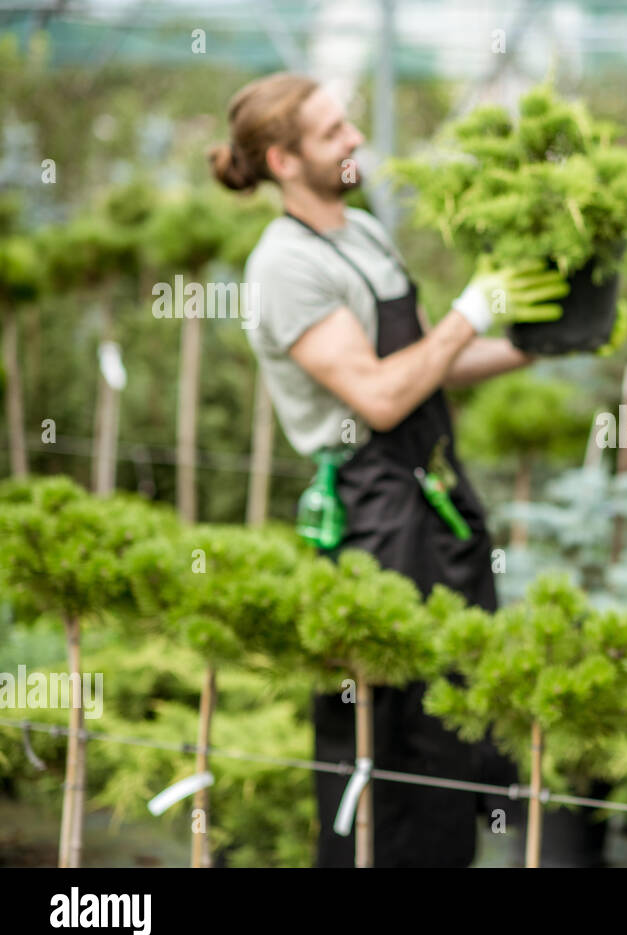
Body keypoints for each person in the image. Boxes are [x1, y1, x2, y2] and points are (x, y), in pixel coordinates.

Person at [209, 73, 568, 866]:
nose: (355, 141)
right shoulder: (285, 265)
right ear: (283, 158)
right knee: (387, 737)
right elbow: (376, 395)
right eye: (334, 133)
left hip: (433, 497)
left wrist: (534, 344)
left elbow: (422, 366)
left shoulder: (361, 232)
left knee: (452, 724)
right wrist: (471, 308)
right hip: (374, 521)